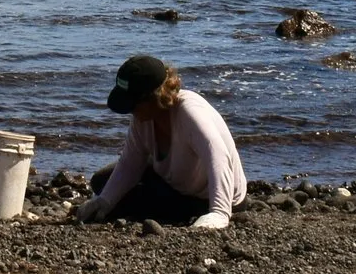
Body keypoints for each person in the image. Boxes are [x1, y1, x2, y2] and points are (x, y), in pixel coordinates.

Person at [78, 55, 245, 229]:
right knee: (101, 182)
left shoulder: (189, 112)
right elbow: (130, 163)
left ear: (154, 97)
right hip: (176, 184)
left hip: (207, 196)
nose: (131, 112)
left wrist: (219, 211)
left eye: (133, 105)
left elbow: (218, 156)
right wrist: (104, 201)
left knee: (138, 204)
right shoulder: (142, 119)